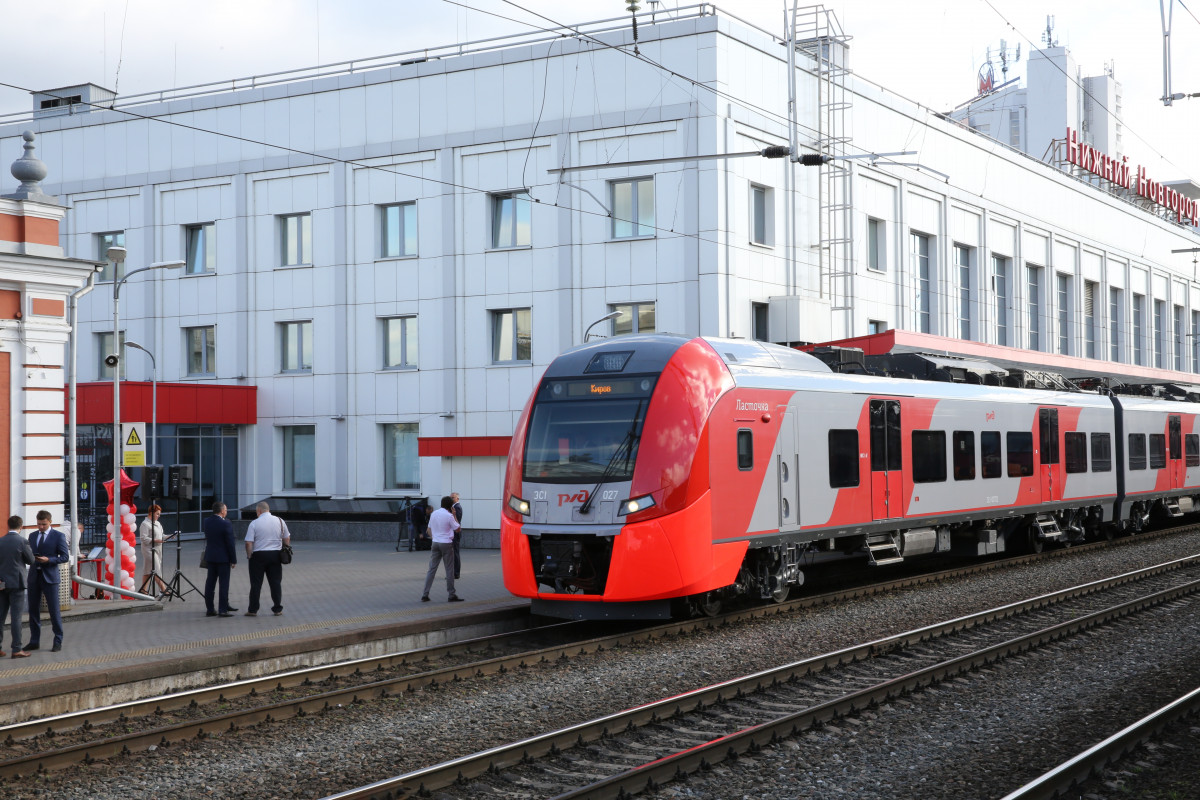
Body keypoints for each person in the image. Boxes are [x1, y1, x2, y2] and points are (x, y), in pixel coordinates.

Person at [26, 510, 69, 652]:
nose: (41, 527)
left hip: (50, 577)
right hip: (34, 576)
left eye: (44, 524)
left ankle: (58, 640)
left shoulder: (58, 536)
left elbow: (64, 557)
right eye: (38, 524)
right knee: (33, 609)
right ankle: (34, 640)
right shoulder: (32, 536)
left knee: (54, 610)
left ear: (50, 522)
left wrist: (49, 560)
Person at [244, 501, 290, 617]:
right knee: (275, 583)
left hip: (258, 556)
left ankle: (253, 610)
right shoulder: (280, 521)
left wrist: (249, 555)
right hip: (275, 556)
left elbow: (249, 542)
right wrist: (284, 549)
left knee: (256, 584)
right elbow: (287, 538)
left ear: (259, 510)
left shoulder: (254, 523)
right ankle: (277, 608)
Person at [0, 515, 34, 658]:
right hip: (17, 583)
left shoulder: (1, 541)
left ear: (8, 526)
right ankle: (17, 649)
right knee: (16, 617)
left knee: (0, 617)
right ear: (21, 527)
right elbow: (31, 560)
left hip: (2, 583)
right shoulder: (22, 541)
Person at [421, 495, 463, 603]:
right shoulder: (449, 516)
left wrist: (434, 538)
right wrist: (454, 515)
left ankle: (425, 594)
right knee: (449, 569)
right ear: (450, 506)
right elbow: (458, 529)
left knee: (431, 569)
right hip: (446, 544)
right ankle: (451, 595)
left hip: (435, 543)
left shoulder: (434, 513)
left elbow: (428, 530)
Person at [202, 501, 238, 617]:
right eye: (226, 510)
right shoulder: (226, 523)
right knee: (224, 583)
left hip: (211, 557)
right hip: (223, 558)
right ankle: (222, 609)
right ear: (222, 511)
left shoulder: (206, 521)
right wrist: (233, 559)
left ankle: (210, 609)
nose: (226, 512)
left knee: (210, 583)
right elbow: (230, 543)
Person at [139, 504, 169, 599]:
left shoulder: (158, 523)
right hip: (149, 549)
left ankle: (143, 590)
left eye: (159, 514)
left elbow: (161, 536)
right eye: (157, 514)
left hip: (157, 549)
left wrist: (170, 536)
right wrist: (156, 540)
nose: (158, 516)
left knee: (148, 569)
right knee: (156, 568)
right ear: (151, 513)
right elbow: (143, 538)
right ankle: (163, 589)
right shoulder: (145, 524)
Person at [451, 492, 464, 580]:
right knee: (453, 553)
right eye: (450, 497)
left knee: (455, 553)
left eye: (453, 497)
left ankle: (456, 573)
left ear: (457, 499)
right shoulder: (453, 507)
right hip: (454, 533)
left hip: (455, 533)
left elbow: (457, 521)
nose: (451, 499)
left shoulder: (457, 507)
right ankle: (454, 573)